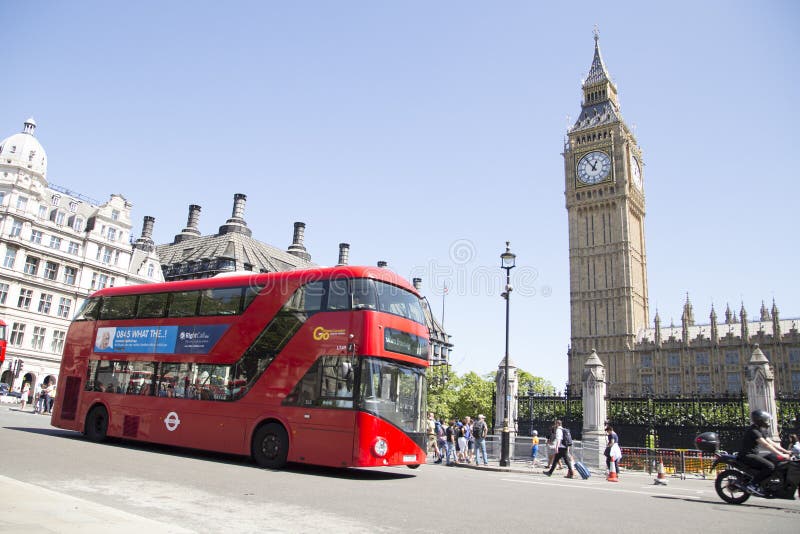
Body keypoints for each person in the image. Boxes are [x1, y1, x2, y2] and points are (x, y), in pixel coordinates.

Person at [738, 410, 791, 496]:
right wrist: (782, 455)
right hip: (747, 456)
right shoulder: (753, 431)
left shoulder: (760, 429)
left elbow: (771, 442)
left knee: (773, 458)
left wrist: (787, 451)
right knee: (770, 466)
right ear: (760, 420)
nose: (767, 422)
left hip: (754, 454)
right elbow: (766, 445)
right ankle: (753, 484)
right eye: (765, 420)